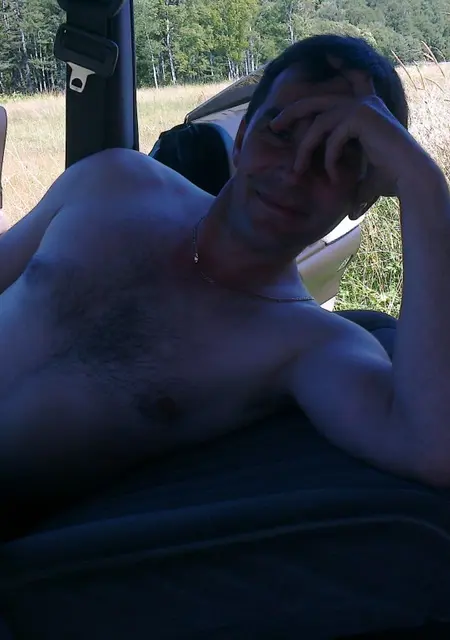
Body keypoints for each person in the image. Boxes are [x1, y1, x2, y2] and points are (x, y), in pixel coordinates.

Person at [1, 34, 449, 532]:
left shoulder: (307, 345)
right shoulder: (115, 182)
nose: (295, 172)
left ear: (364, 197)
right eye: (281, 132)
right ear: (240, 141)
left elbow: (430, 446)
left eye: (336, 153)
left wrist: (423, 183)